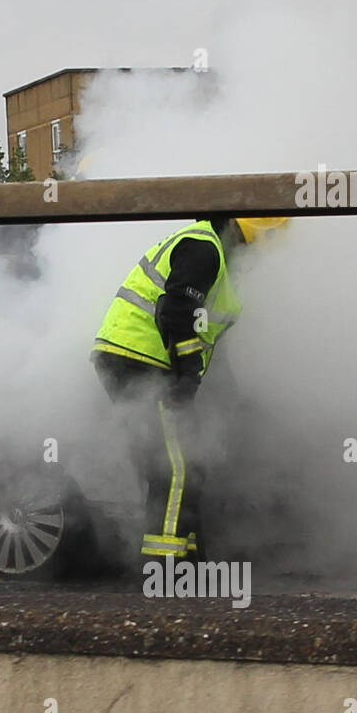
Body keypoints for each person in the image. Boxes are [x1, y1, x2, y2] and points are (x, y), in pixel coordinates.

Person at [90, 216, 288, 563]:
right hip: (143, 360)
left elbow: (208, 339)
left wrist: (221, 391)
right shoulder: (204, 247)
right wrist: (187, 377)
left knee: (190, 464)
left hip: (146, 361)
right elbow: (177, 311)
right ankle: (165, 569)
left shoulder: (216, 260)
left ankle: (190, 560)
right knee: (175, 466)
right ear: (251, 231)